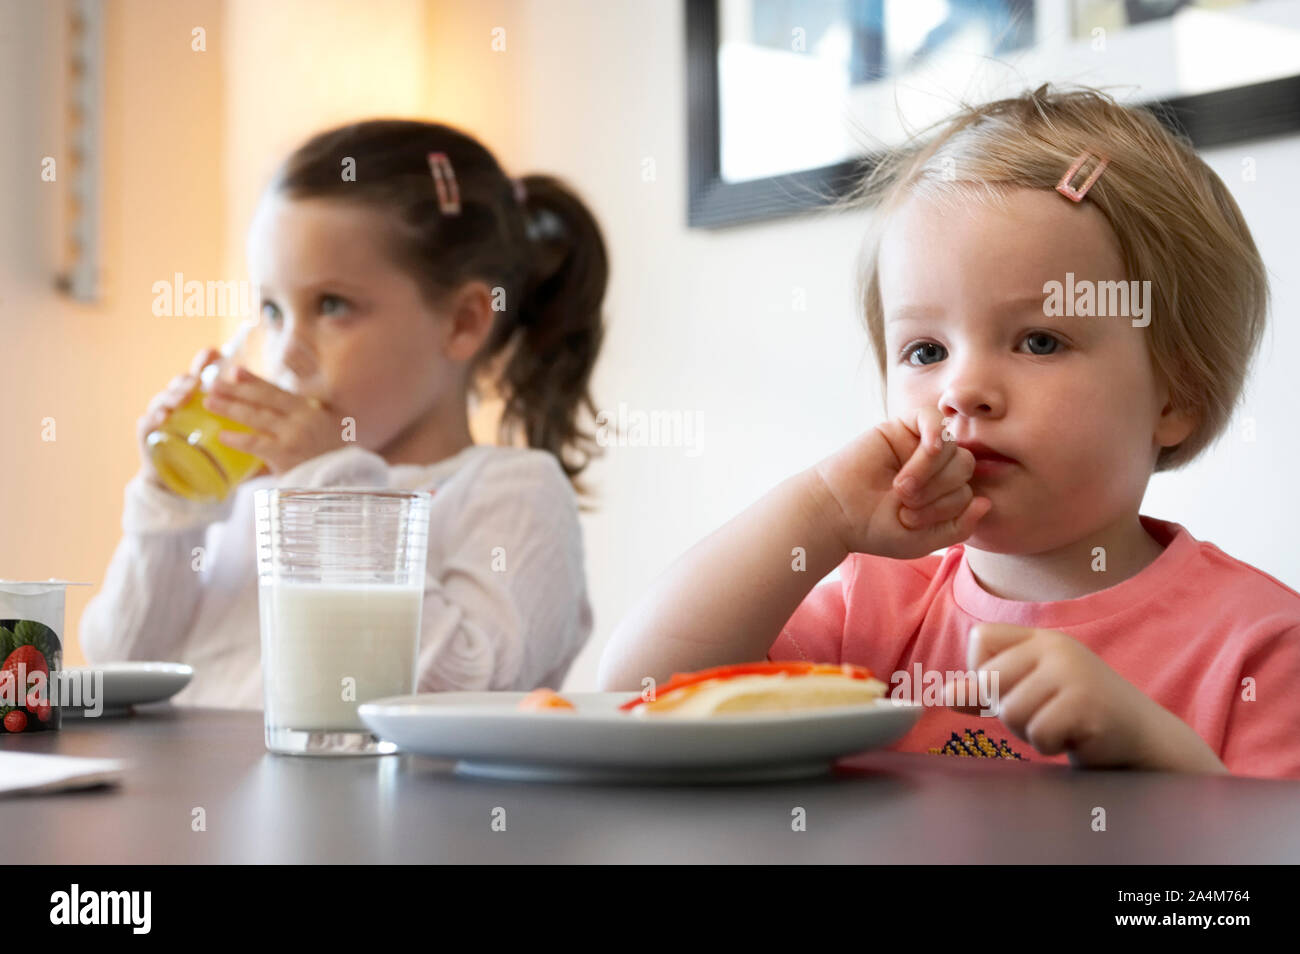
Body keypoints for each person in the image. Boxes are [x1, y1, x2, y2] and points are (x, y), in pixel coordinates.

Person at [599, 84, 1300, 779]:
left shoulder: (1262, 645)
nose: (962, 391)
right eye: (926, 352)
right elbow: (637, 692)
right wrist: (818, 512)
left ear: (1176, 392)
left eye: (1040, 342)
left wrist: (1152, 749)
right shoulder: (866, 609)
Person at [82, 119, 608, 707]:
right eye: (273, 310)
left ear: (462, 322)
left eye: (331, 306)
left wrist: (328, 496)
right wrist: (172, 509)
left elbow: (466, 692)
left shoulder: (510, 493)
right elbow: (120, 664)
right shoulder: (259, 498)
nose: (285, 353)